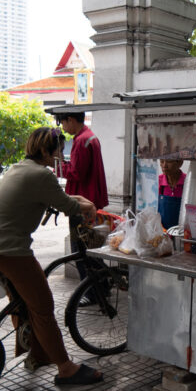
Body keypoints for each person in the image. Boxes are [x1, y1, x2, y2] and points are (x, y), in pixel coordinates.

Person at [0, 127, 103, 385]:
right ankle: (65, 368)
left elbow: (61, 197)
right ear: (45, 150)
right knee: (43, 307)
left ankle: (37, 353)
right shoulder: (40, 175)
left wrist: (83, 201)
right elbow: (66, 205)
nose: (60, 156)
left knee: (23, 304)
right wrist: (85, 207)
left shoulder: (20, 169)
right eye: (58, 151)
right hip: (8, 251)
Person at [55, 112, 108, 290]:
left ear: (70, 120)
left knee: (82, 251)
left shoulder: (81, 140)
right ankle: (104, 286)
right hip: (91, 199)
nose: (63, 127)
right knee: (91, 248)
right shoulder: (89, 137)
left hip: (83, 203)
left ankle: (93, 292)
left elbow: (76, 173)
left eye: (62, 122)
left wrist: (55, 164)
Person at [158, 158, 186, 229]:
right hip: (162, 233)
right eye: (161, 161)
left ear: (180, 163)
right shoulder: (158, 181)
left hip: (182, 232)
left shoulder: (188, 181)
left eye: (169, 161)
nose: (164, 165)